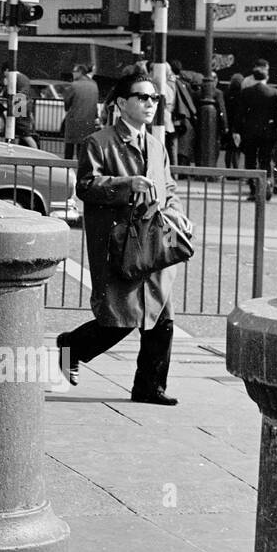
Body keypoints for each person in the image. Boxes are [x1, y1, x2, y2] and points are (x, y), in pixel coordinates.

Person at [57, 71, 191, 406]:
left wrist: (176, 212)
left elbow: (169, 188)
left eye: (154, 98)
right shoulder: (99, 142)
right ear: (121, 103)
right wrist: (125, 184)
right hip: (121, 244)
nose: (150, 104)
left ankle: (149, 387)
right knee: (121, 318)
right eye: (142, 97)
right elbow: (86, 187)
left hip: (154, 243)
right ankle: (69, 347)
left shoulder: (157, 145)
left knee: (161, 317)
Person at [236, 65, 277, 201]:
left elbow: (240, 113)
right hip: (267, 131)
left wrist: (236, 130)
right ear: (266, 77)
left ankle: (253, 190)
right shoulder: (273, 93)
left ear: (253, 77)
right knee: (265, 160)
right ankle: (266, 187)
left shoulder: (246, 92)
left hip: (249, 131)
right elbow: (276, 113)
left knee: (250, 160)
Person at [61, 63, 99, 161]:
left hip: (74, 119)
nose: (72, 73)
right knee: (82, 146)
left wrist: (68, 108)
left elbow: (67, 103)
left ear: (80, 72)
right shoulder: (94, 85)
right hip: (89, 121)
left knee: (69, 145)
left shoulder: (74, 85)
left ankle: (67, 167)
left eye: (74, 71)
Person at [168, 60, 199, 167]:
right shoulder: (183, 83)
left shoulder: (171, 82)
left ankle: (176, 171)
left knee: (174, 145)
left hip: (175, 117)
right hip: (183, 118)